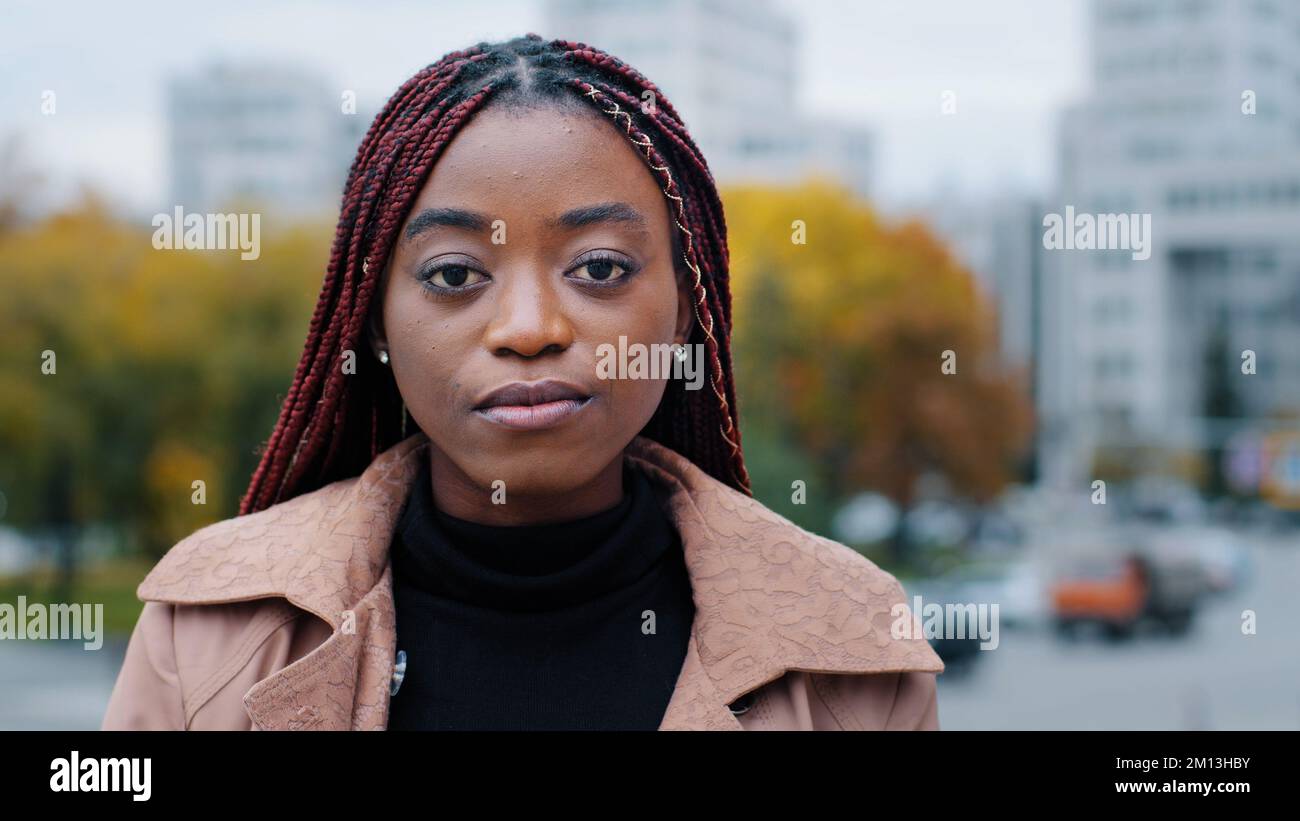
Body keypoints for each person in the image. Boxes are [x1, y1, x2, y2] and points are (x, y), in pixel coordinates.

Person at [101, 34, 943, 731]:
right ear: (374, 322)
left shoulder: (855, 644)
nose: (529, 327)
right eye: (456, 274)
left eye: (602, 266)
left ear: (688, 308)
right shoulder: (206, 629)